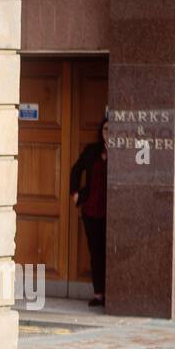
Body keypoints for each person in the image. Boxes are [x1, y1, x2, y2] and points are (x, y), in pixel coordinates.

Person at [69, 118, 109, 307]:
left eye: (112, 130)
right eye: (106, 129)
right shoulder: (92, 150)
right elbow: (76, 170)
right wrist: (75, 193)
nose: (108, 133)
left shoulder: (122, 151)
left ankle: (114, 293)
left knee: (110, 252)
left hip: (112, 212)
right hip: (91, 210)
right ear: (101, 131)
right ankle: (99, 293)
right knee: (95, 253)